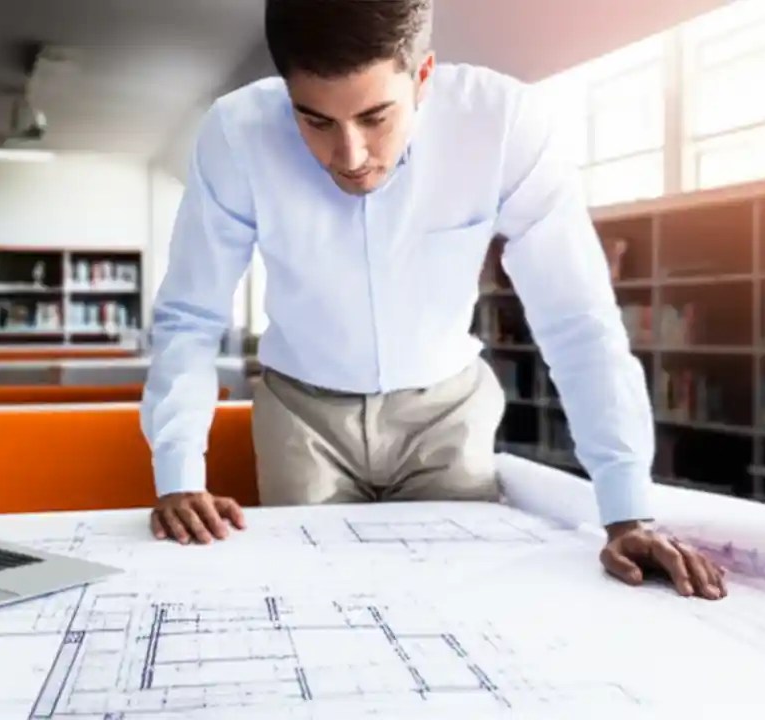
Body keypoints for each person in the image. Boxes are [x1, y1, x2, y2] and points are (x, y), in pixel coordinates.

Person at [140, 0, 727, 601]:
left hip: (447, 413)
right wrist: (178, 474)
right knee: (318, 603)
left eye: (375, 117)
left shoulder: (503, 124)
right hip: (301, 416)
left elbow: (578, 319)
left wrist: (627, 508)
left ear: (423, 76)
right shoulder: (237, 133)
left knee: (458, 607)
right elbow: (192, 312)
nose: (350, 156)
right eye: (315, 121)